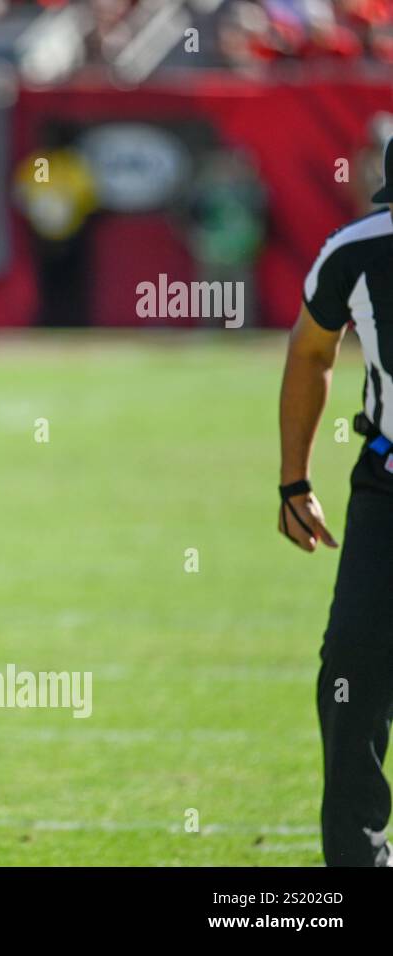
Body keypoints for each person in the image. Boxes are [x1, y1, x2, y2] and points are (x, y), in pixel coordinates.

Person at [277, 135, 393, 866]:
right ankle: (357, 863)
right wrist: (296, 481)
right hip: (386, 485)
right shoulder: (357, 249)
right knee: (349, 669)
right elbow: (312, 352)